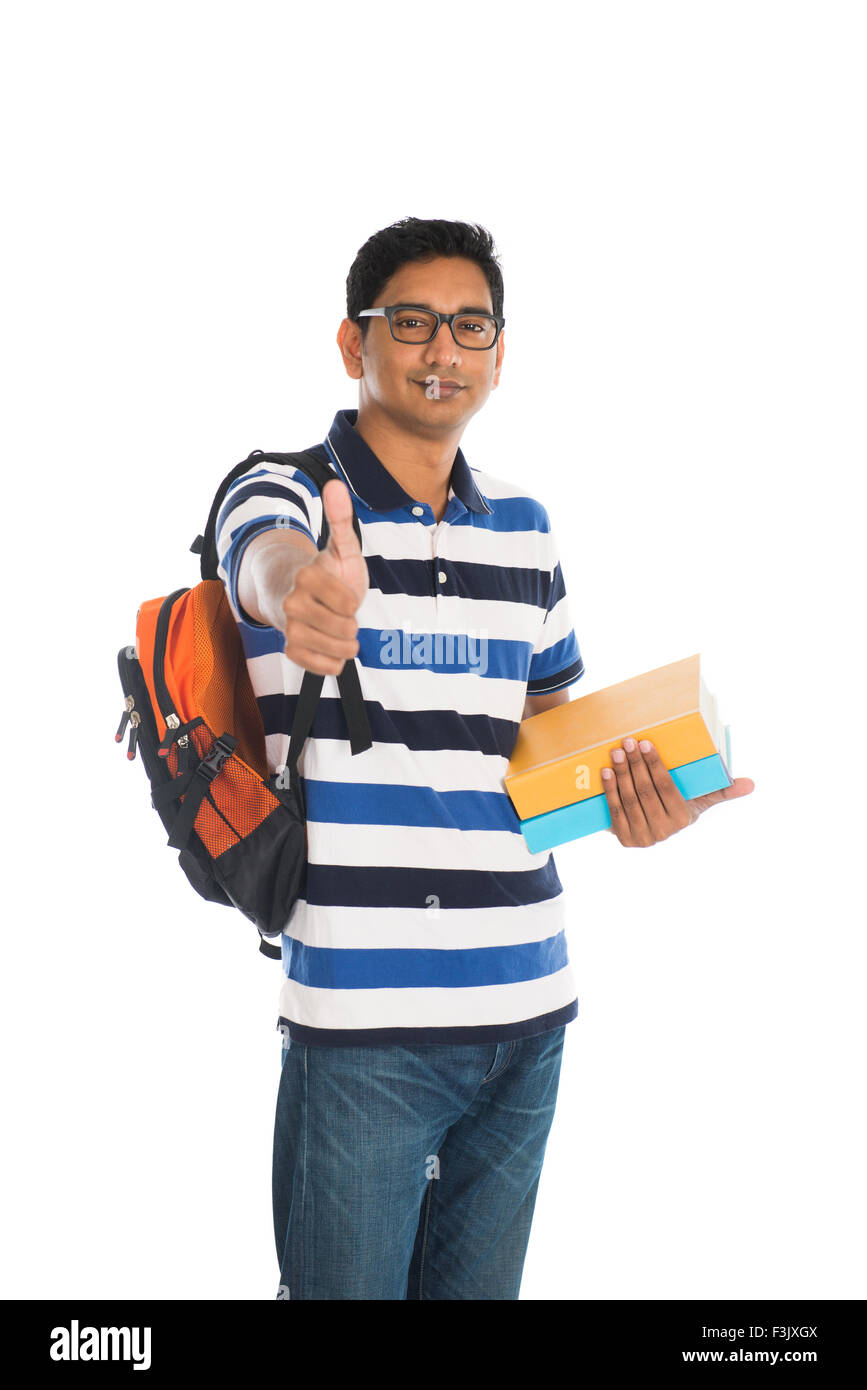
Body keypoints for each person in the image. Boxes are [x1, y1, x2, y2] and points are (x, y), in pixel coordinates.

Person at [216, 217, 754, 1300]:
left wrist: (635, 800)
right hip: (364, 1031)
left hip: (528, 1010)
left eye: (470, 326)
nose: (442, 350)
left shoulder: (526, 529)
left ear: (500, 355)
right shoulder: (284, 492)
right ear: (351, 342)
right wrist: (302, 595)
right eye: (411, 322)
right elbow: (263, 562)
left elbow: (545, 743)